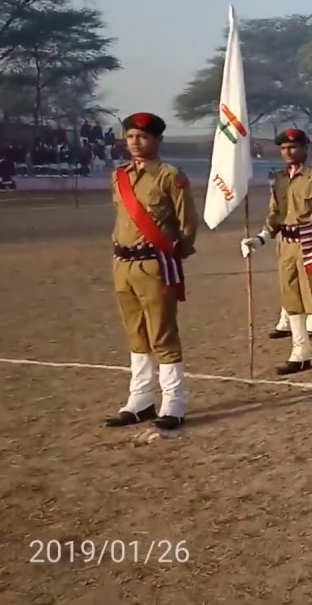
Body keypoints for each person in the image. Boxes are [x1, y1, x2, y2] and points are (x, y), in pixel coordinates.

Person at [106, 112, 197, 431]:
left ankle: (174, 400)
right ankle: (140, 399)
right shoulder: (119, 176)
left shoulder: (170, 176)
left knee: (162, 332)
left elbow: (187, 224)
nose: (135, 142)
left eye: (142, 136)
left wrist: (174, 255)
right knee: (136, 332)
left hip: (155, 263)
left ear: (158, 140)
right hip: (123, 264)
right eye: (130, 136)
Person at [241, 127, 312, 376]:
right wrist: (261, 238)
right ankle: (300, 353)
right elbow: (275, 212)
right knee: (291, 298)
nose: (287, 152)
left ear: (304, 148)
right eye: (283, 148)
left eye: (292, 147)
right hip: (286, 244)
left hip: (310, 240)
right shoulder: (280, 179)